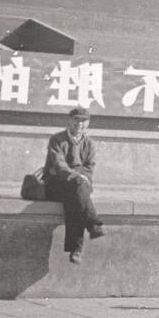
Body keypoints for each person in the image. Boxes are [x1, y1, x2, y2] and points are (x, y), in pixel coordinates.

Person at [44, 107, 106, 264]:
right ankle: (91, 227)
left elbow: (89, 168)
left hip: (79, 185)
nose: (79, 124)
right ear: (69, 121)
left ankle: (76, 249)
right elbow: (59, 165)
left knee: (75, 197)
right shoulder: (57, 139)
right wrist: (76, 175)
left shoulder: (89, 143)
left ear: (88, 124)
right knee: (77, 192)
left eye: (83, 121)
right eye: (76, 120)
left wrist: (79, 176)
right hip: (56, 184)